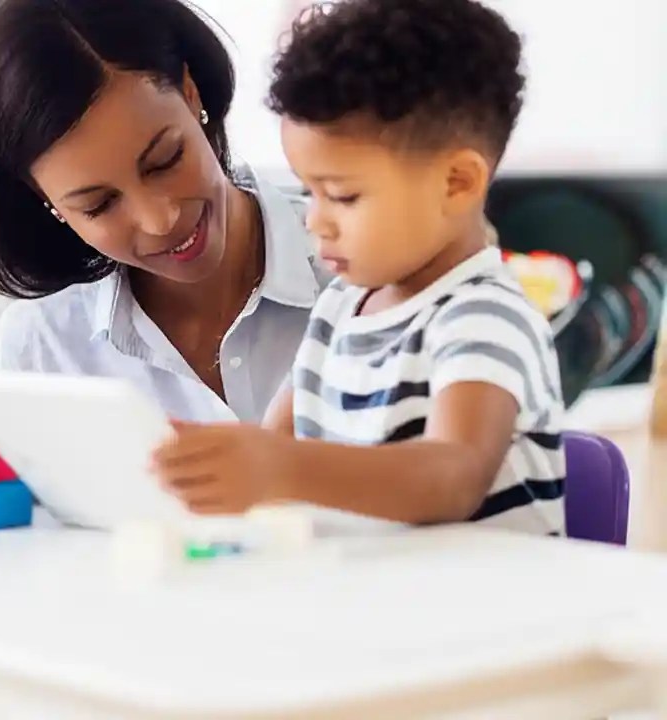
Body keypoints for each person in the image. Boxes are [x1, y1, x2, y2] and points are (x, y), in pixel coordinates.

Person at [154, 0, 565, 535]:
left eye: (343, 196)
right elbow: (275, 447)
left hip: (487, 608)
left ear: (457, 183)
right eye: (309, 191)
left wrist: (281, 468)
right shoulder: (340, 309)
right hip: (365, 600)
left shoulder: (486, 315)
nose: (315, 222)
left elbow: (453, 476)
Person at [0, 0, 332, 424]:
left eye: (166, 160)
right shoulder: (43, 347)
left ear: (191, 96)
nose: (162, 220)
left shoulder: (366, 273)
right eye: (99, 205)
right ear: (49, 204)